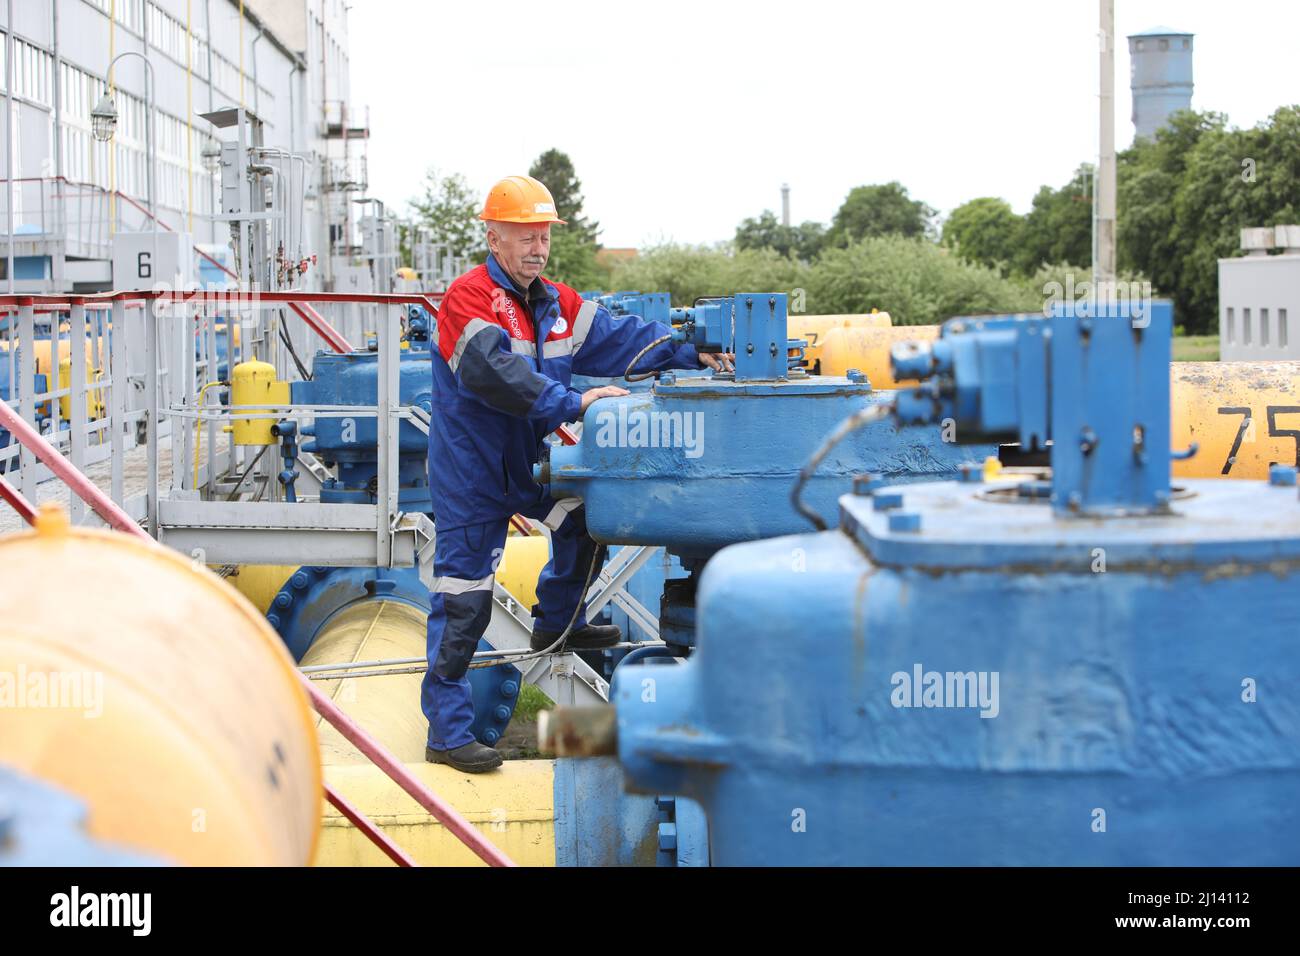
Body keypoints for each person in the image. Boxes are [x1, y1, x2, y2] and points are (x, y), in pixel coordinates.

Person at [423, 174, 729, 773]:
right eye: (524, 235)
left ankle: (556, 621)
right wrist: (572, 403)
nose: (537, 247)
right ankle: (449, 733)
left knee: (589, 520)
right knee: (463, 600)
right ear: (493, 235)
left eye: (544, 236)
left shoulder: (557, 305)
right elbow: (493, 373)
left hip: (529, 464)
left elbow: (622, 339)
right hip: (472, 475)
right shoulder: (469, 298)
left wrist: (689, 350)